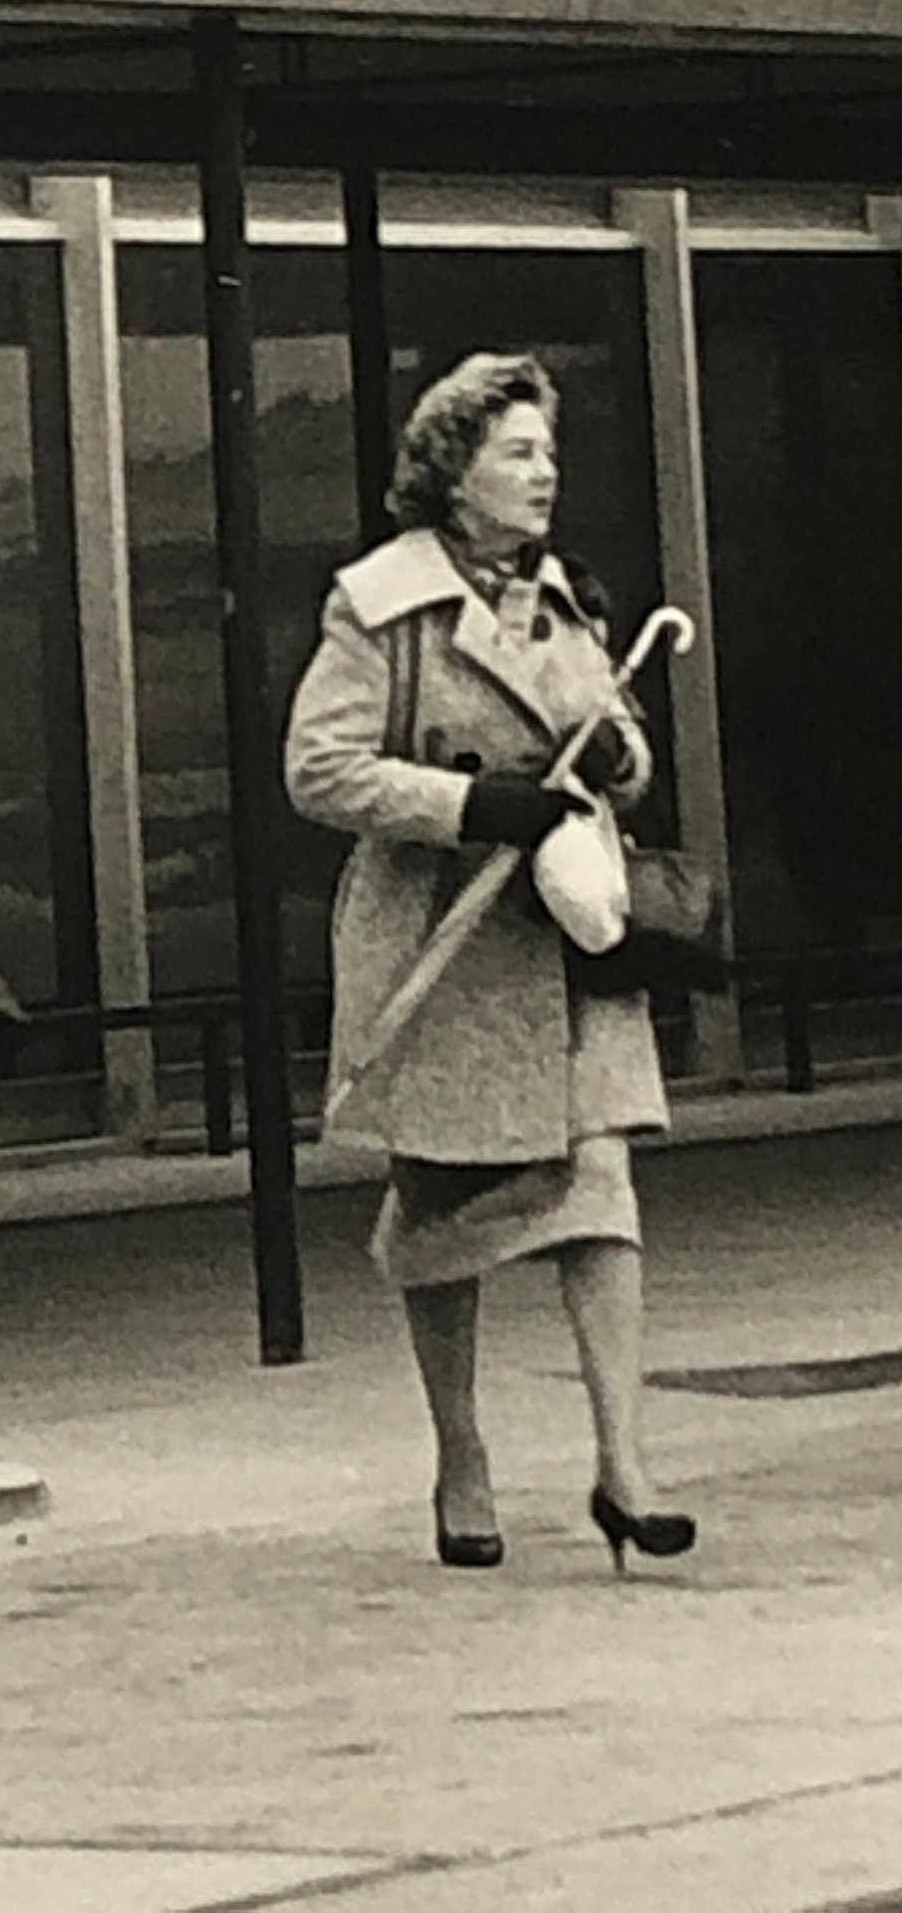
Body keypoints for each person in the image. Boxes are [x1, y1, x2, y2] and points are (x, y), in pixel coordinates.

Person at [284, 353, 693, 1575]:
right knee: (449, 1207)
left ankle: (624, 1464)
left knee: (600, 1182)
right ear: (452, 473)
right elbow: (321, 770)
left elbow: (618, 744)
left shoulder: (571, 598)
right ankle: (461, 1457)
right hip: (443, 946)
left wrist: (620, 763)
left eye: (550, 455)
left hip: (566, 950)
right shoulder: (377, 605)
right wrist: (472, 805)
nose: (543, 475)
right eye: (518, 452)